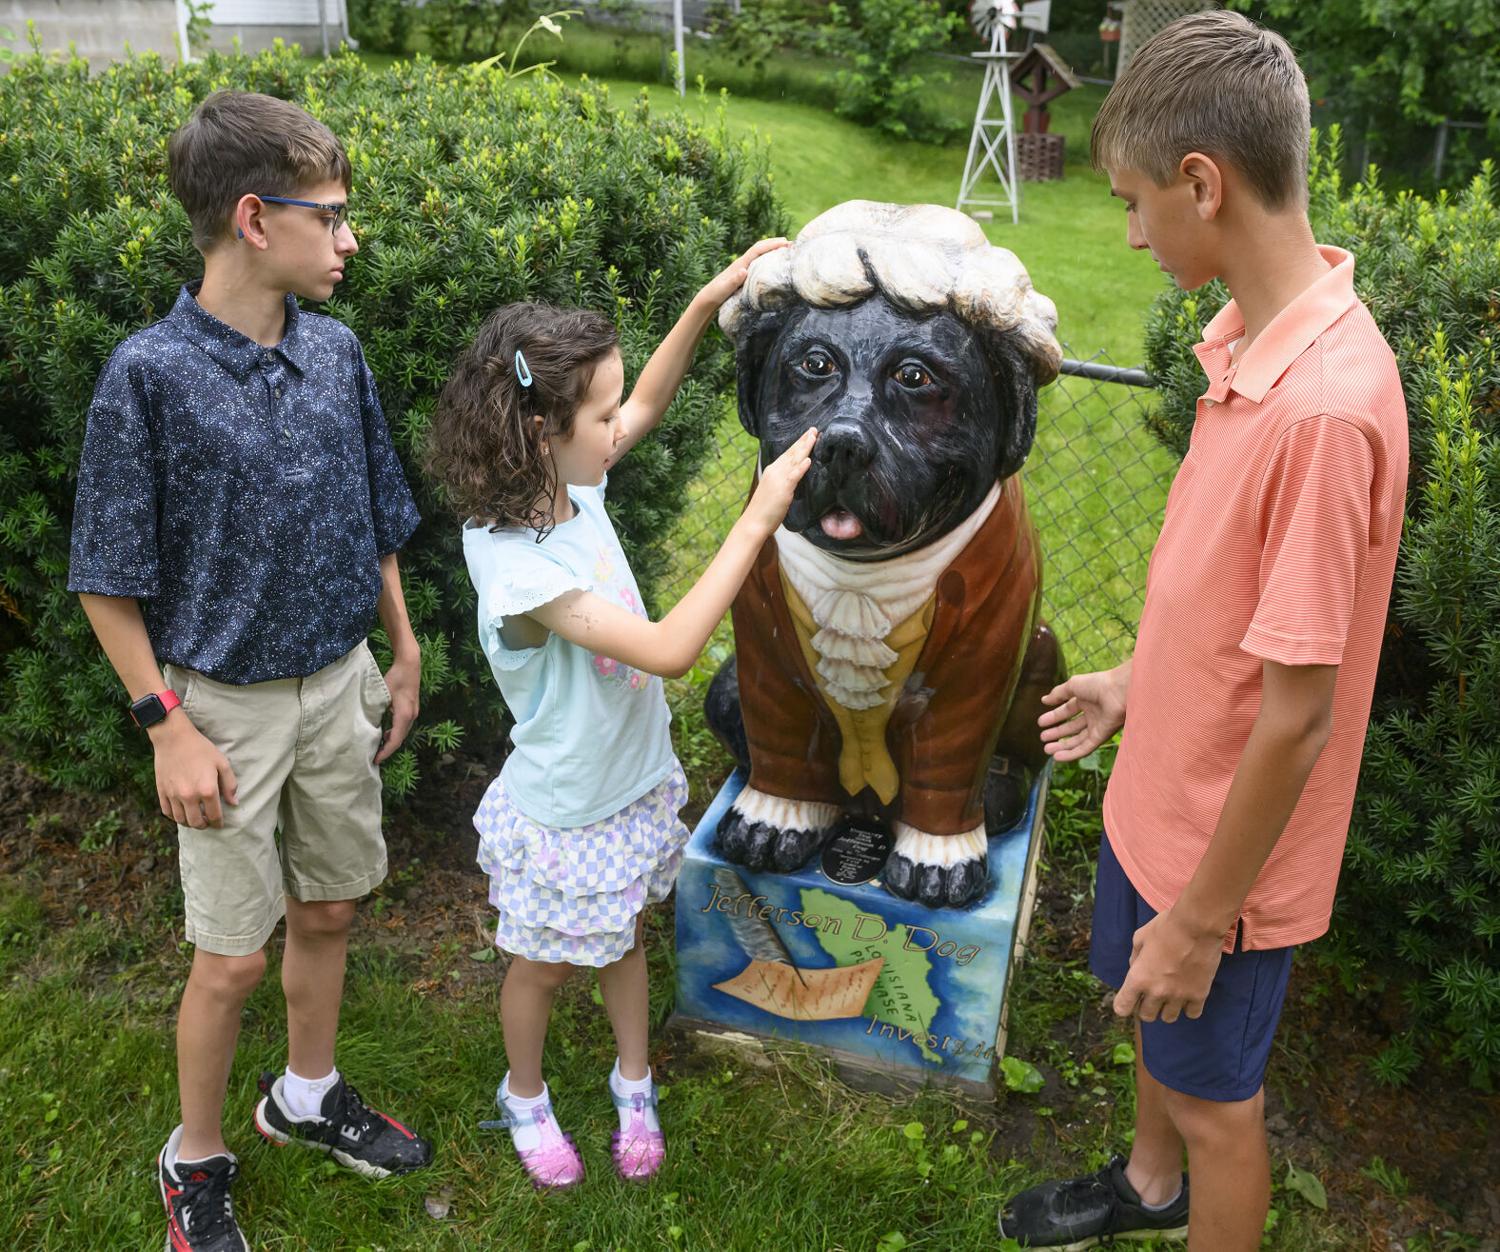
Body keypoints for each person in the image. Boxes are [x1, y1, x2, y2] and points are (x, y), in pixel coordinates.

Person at [997, 12, 1409, 1250]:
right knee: (1150, 1030)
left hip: (1223, 874)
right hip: (1157, 800)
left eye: (1133, 203)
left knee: (1216, 1098)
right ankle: (1146, 1183)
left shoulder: (1326, 415)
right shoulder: (1245, 340)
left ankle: (1191, 1181)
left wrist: (1197, 921)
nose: (1128, 231)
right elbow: (1233, 614)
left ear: (1202, 182)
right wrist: (1133, 681)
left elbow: (1298, 716)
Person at [68, 91, 432, 1252]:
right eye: (331, 215)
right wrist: (166, 724)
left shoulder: (338, 352)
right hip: (218, 707)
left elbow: (376, 514)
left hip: (338, 684)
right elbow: (103, 577)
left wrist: (405, 647)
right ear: (252, 218)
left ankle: (306, 1098)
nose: (350, 238)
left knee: (328, 905)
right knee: (229, 956)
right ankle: (196, 1157)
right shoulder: (150, 376)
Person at [424, 245, 816, 1189]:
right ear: (538, 430)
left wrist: (704, 297)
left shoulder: (569, 483)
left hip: (631, 783)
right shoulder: (519, 567)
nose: (621, 425)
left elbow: (644, 402)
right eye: (601, 415)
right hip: (567, 809)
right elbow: (673, 649)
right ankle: (526, 1095)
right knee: (544, 964)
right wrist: (757, 518)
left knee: (626, 935)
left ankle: (631, 1077)